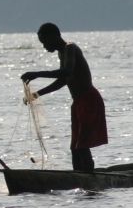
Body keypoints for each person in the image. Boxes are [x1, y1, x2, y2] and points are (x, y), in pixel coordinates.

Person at [20, 23, 107, 171]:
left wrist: (36, 73)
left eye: (45, 42)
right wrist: (36, 94)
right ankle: (78, 176)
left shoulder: (70, 48)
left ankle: (89, 178)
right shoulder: (62, 53)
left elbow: (66, 72)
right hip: (78, 103)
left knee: (82, 145)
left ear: (54, 36)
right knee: (75, 146)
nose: (44, 46)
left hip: (89, 100)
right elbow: (62, 81)